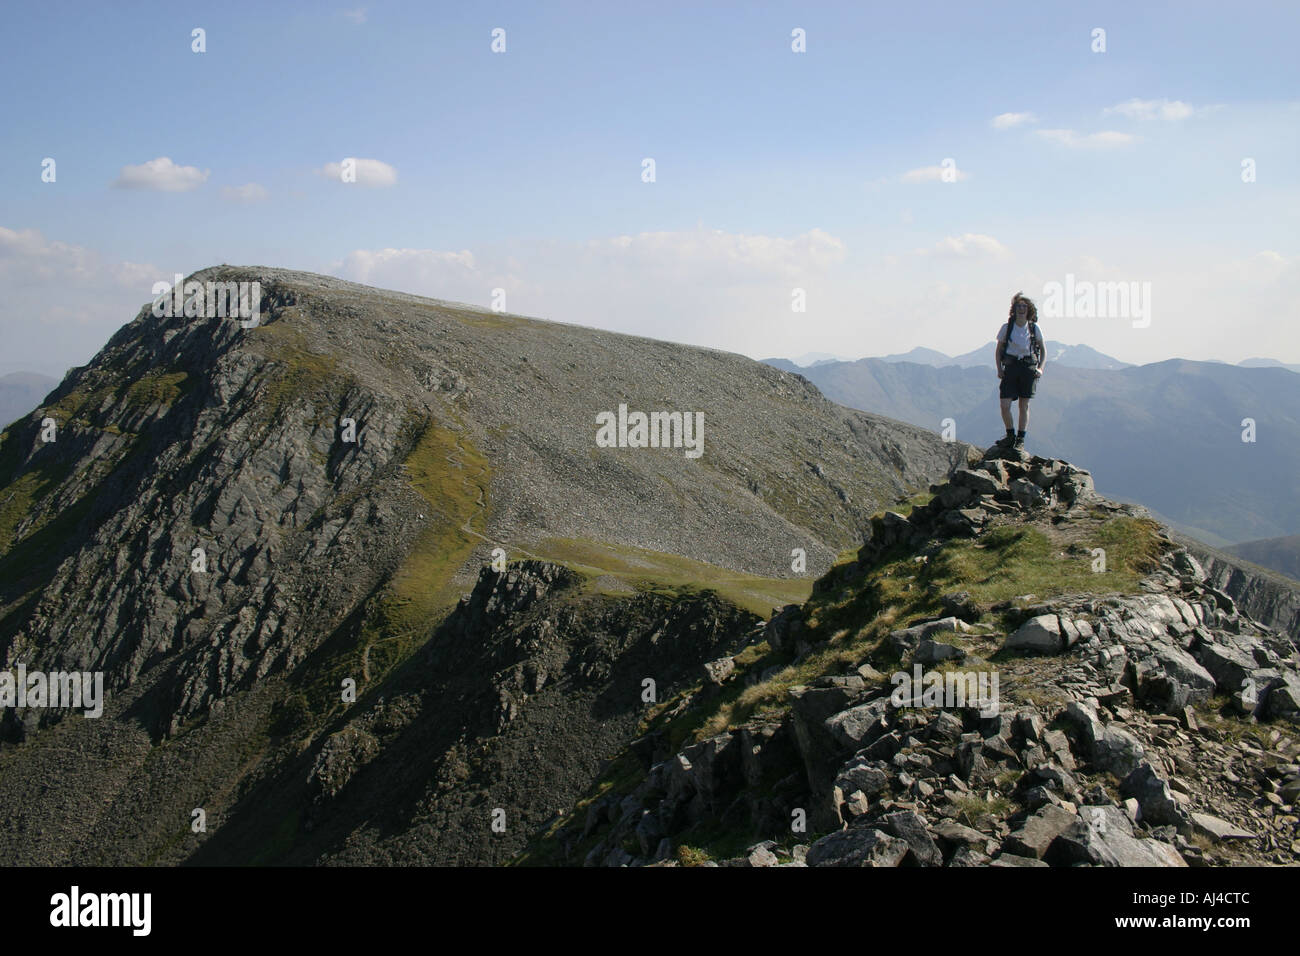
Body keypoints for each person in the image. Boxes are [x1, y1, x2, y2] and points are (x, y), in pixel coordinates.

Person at [994, 292, 1045, 449]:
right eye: (1018, 306)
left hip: (1028, 367)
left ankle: (1020, 440)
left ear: (1028, 309)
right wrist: (999, 369)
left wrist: (1040, 369)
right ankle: (1010, 435)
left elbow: (1043, 350)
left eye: (1024, 306)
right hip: (1011, 367)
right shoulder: (1007, 328)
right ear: (1014, 309)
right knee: (1004, 404)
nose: (1021, 309)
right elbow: (998, 350)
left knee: (1024, 405)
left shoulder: (1034, 328)